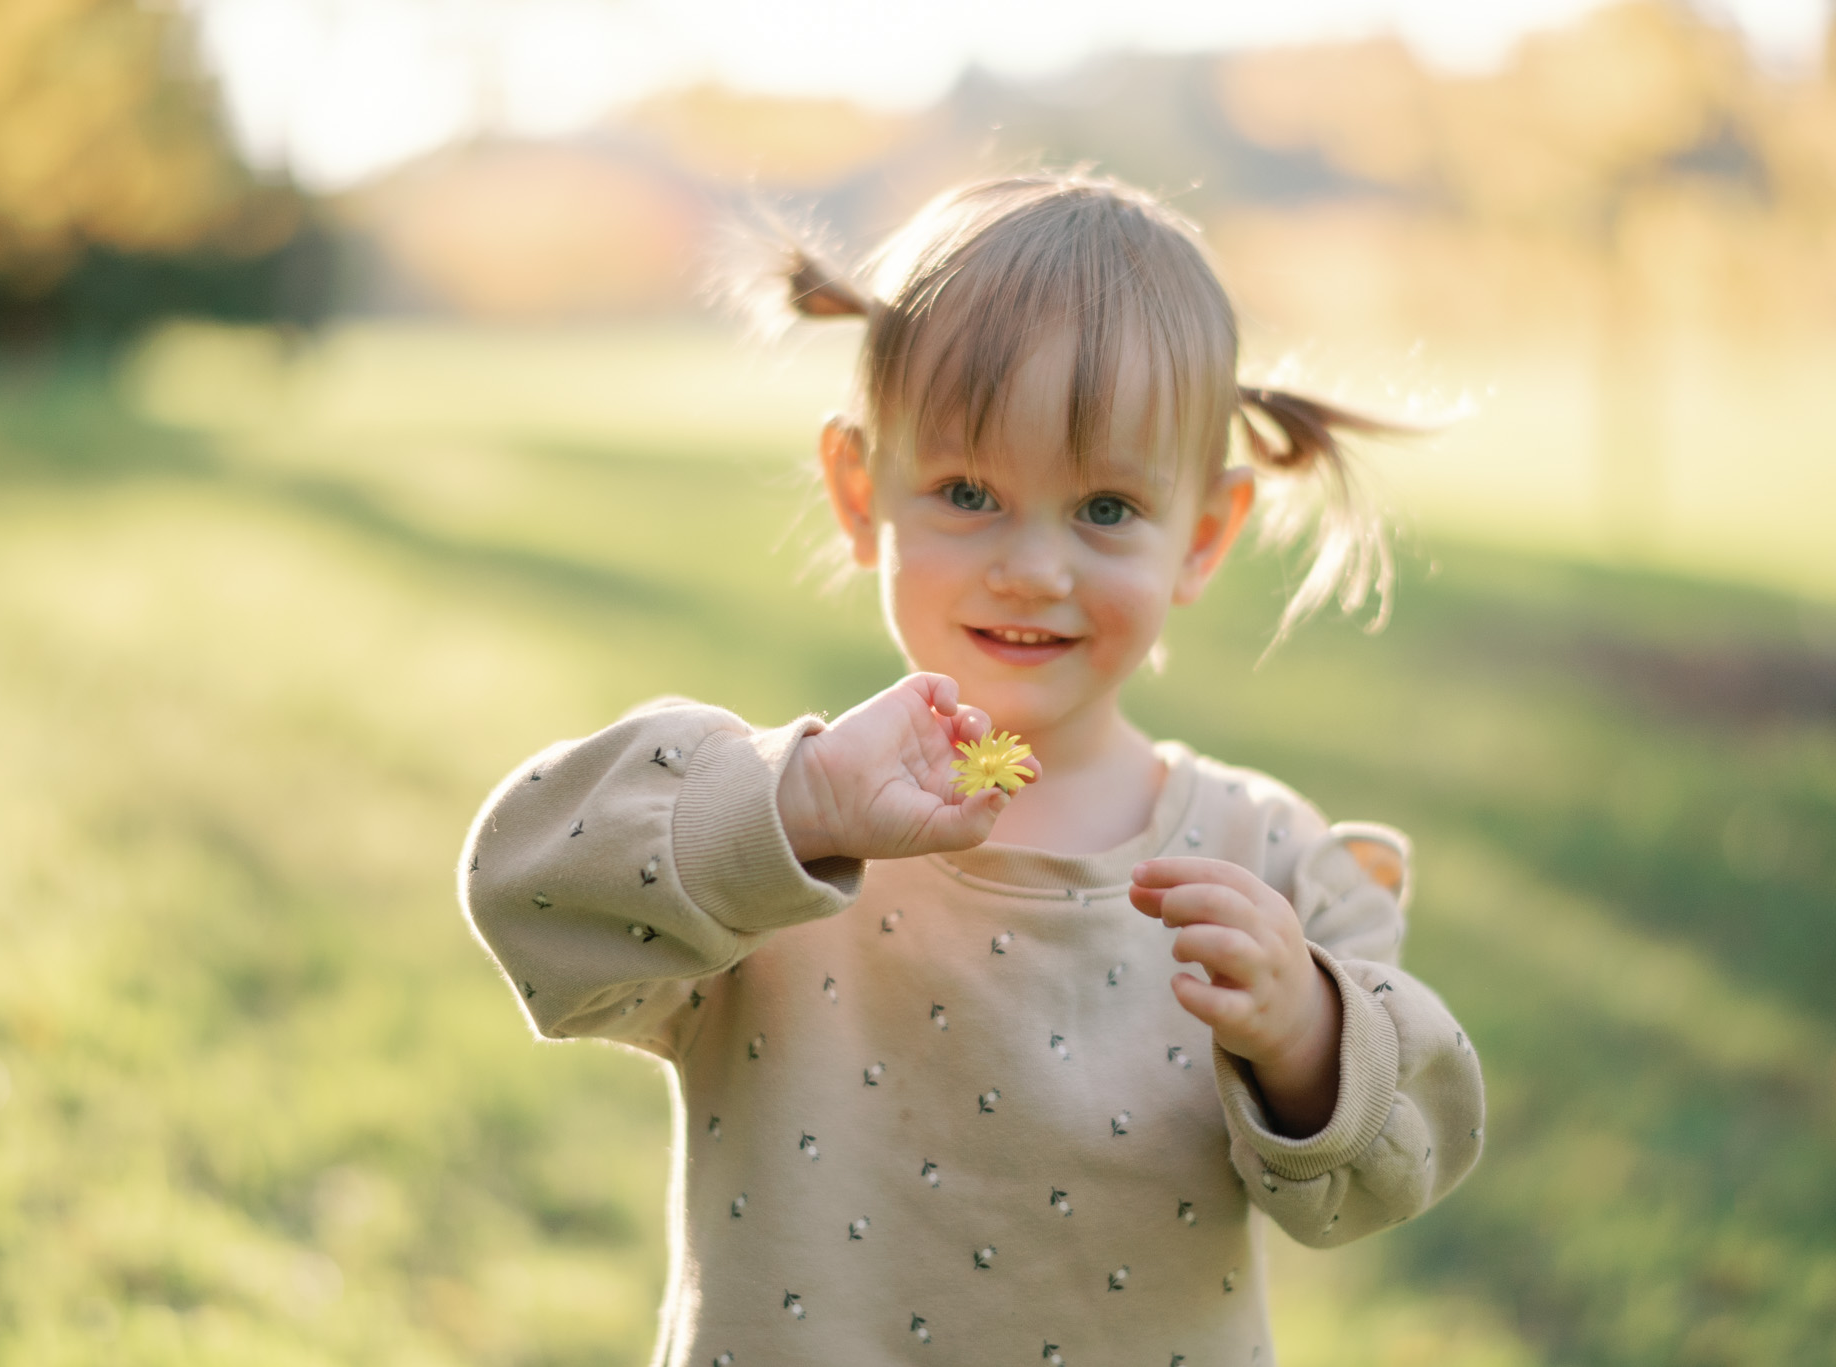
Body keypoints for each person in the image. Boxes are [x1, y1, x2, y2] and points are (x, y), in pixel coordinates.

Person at [459, 171, 1484, 1363]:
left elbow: (1386, 1172)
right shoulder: (780, 834)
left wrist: (1305, 1034)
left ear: (1201, 535)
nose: (1033, 566)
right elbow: (529, 901)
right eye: (966, 493)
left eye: (1104, 506)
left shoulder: (1269, 862)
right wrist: (794, 803)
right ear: (860, 492)